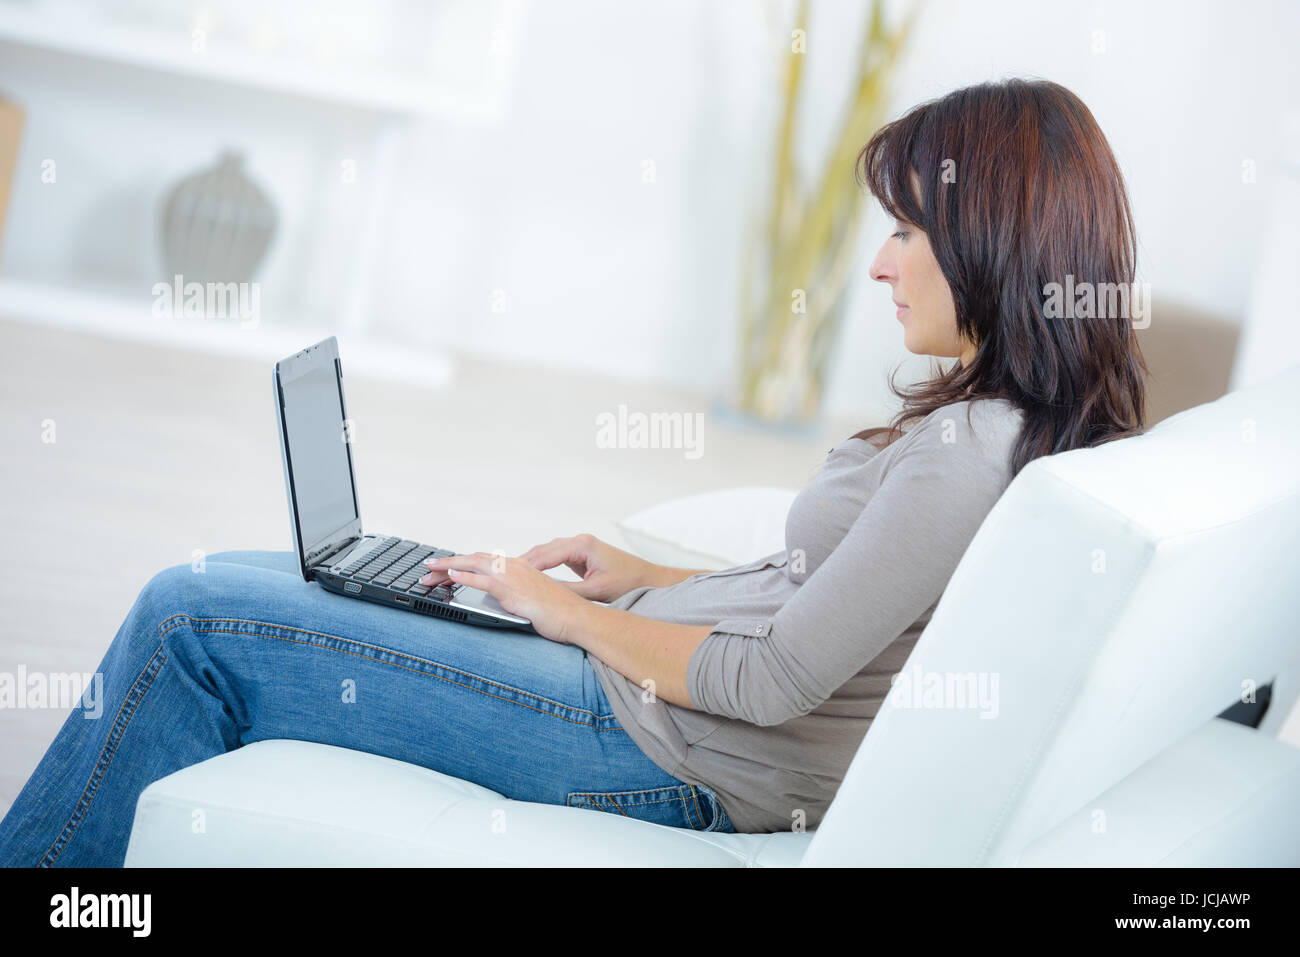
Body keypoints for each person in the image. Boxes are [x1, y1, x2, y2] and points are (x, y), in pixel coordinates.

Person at [0, 78, 1151, 866]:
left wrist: (558, 614)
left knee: (190, 612)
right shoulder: (1009, 425)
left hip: (663, 746)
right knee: (282, 580)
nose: (878, 265)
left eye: (904, 232)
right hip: (667, 710)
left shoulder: (967, 455)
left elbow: (771, 684)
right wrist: (633, 574)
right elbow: (829, 596)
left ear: (992, 239)